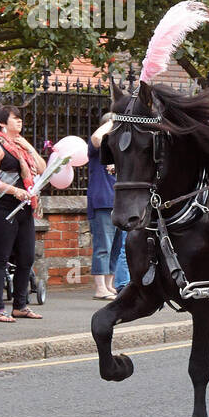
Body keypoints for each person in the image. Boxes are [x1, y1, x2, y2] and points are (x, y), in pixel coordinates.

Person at [0, 104, 45, 322]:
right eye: (14, 118)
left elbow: (43, 168)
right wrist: (14, 190)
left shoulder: (21, 147)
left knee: (26, 257)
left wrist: (30, 147)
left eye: (20, 118)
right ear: (2, 123)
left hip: (24, 207)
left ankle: (20, 305)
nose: (19, 121)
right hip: (2, 207)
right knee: (1, 258)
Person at [87, 113, 120, 299]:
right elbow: (97, 138)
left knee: (116, 246)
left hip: (118, 203)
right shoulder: (97, 148)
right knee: (103, 246)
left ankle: (109, 284)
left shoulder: (117, 150)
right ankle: (100, 287)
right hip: (102, 203)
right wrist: (111, 122)